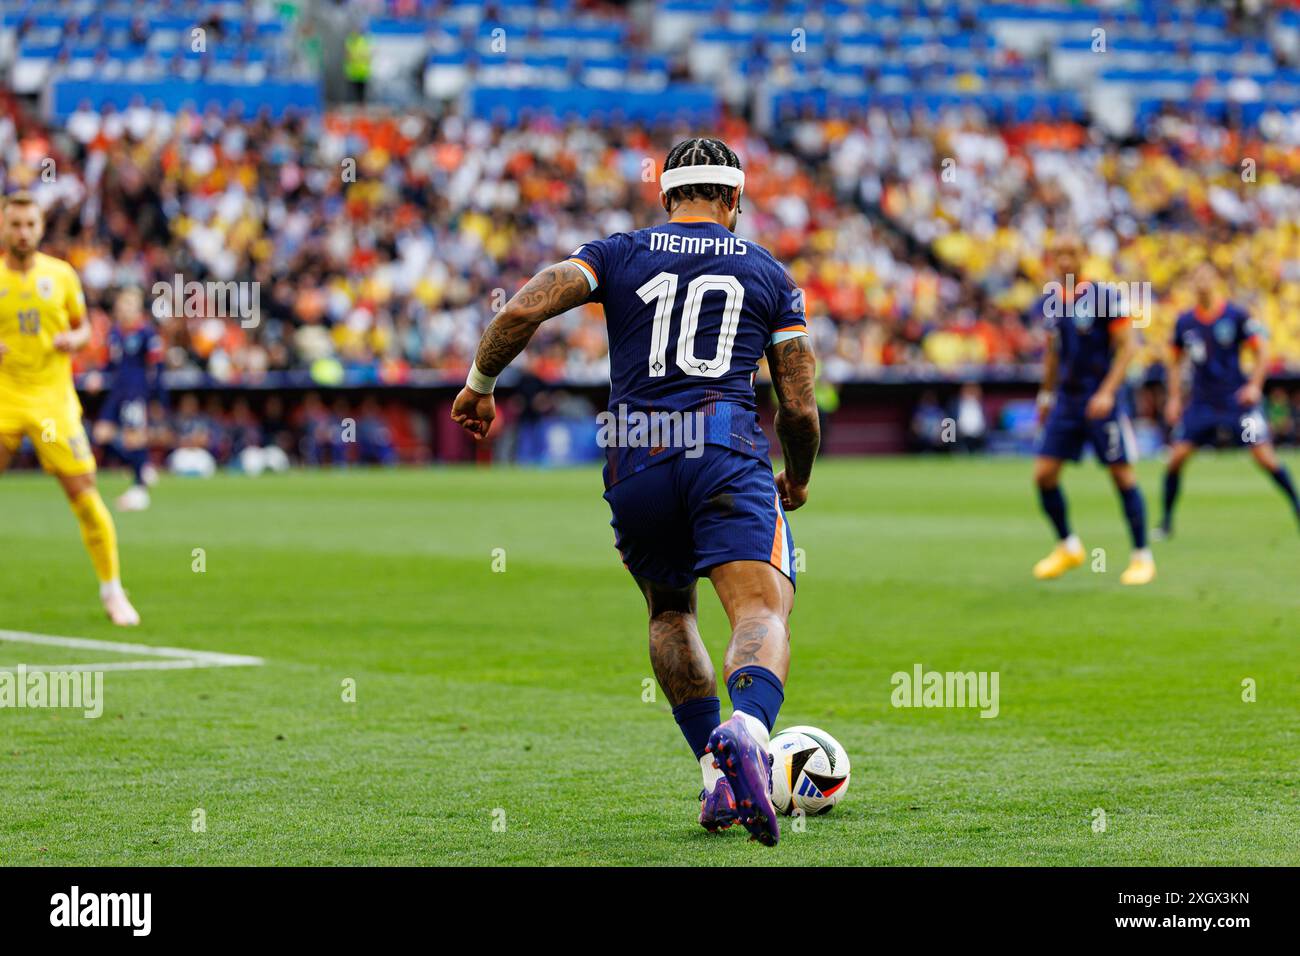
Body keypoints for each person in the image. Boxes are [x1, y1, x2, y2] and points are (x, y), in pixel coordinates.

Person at [450, 138, 819, 846]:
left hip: (636, 452)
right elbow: (798, 405)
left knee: (670, 611)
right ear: (734, 199)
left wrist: (480, 384)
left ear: (667, 195)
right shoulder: (769, 274)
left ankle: (716, 776)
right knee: (760, 606)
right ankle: (745, 732)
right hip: (722, 447)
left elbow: (524, 309)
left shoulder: (616, 251)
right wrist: (797, 476)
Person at [0, 192, 140, 624]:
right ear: (4, 227)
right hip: (4, 398)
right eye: (15, 223)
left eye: (30, 224)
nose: (22, 232)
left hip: (52, 400)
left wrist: (71, 342)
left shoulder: (61, 276)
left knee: (85, 496)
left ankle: (113, 590)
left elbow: (84, 332)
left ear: (41, 229)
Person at [1030, 236, 1154, 586]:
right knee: (1043, 475)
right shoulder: (1052, 300)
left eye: (1071, 253)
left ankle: (1142, 556)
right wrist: (1045, 397)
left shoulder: (1104, 296)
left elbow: (1130, 346)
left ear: (1084, 256)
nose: (1065, 260)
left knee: (1121, 475)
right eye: (1058, 254)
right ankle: (1068, 546)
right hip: (1067, 402)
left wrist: (1107, 392)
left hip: (1101, 401)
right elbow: (1053, 353)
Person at [1159, 262, 1300, 536]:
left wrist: (1254, 386)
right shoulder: (1184, 322)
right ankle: (1165, 523)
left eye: (1207, 276)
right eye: (1196, 277)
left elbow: (1261, 351)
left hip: (1236, 403)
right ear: (1191, 282)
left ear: (1216, 280)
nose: (1201, 282)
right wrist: (1174, 398)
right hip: (1201, 403)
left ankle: (1297, 507)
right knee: (1176, 458)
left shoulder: (1236, 315)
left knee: (1265, 457)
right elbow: (1174, 363)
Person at [92, 286, 164, 511]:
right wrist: (98, 375)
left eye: (130, 305)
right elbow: (110, 364)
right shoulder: (114, 333)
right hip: (117, 392)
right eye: (122, 305)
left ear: (138, 309)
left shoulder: (147, 334)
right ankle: (143, 467)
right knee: (101, 434)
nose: (125, 309)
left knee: (134, 438)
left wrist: (157, 399)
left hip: (136, 391)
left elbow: (157, 367)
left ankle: (139, 489)